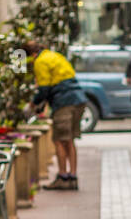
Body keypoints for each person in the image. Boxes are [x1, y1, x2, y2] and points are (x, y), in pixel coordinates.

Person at [24, 40, 88, 190]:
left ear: (31, 55)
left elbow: (44, 90)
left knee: (59, 140)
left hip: (64, 102)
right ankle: (72, 176)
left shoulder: (40, 61)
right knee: (69, 140)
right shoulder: (54, 55)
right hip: (78, 99)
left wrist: (32, 105)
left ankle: (63, 177)